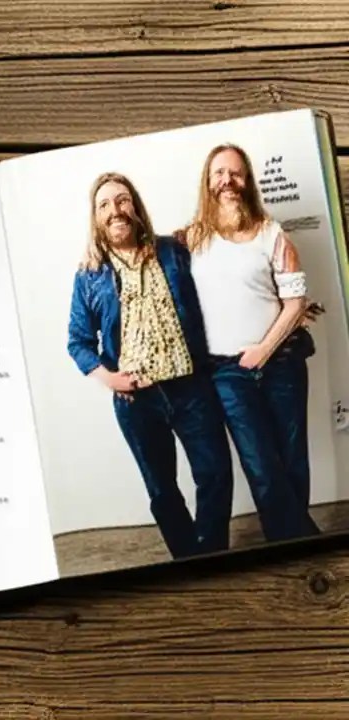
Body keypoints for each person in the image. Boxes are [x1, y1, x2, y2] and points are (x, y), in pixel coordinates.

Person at [68, 172, 235, 557]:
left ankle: (212, 557)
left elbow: (219, 277)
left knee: (215, 474)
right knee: (162, 490)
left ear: (136, 207)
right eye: (104, 204)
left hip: (190, 387)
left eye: (122, 200)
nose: (115, 210)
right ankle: (187, 560)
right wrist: (109, 379)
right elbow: (77, 341)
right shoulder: (88, 275)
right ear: (95, 218)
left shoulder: (173, 252)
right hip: (136, 402)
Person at [181, 143, 319, 541]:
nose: (228, 181)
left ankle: (289, 546)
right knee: (260, 465)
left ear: (248, 181)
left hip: (282, 362)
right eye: (220, 173)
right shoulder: (191, 240)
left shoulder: (272, 233)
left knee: (293, 461)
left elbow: (296, 303)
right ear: (207, 182)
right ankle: (302, 547)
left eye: (236, 173)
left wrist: (263, 350)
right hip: (227, 373)